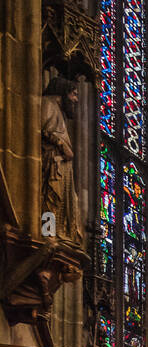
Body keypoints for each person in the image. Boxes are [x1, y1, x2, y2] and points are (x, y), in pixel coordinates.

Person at [41, 76, 84, 247]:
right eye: (74, 94)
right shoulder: (47, 104)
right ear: (63, 92)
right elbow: (40, 129)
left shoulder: (58, 111)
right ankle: (47, 233)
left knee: (58, 204)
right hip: (51, 164)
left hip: (60, 166)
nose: (76, 99)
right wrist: (61, 146)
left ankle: (57, 234)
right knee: (49, 200)